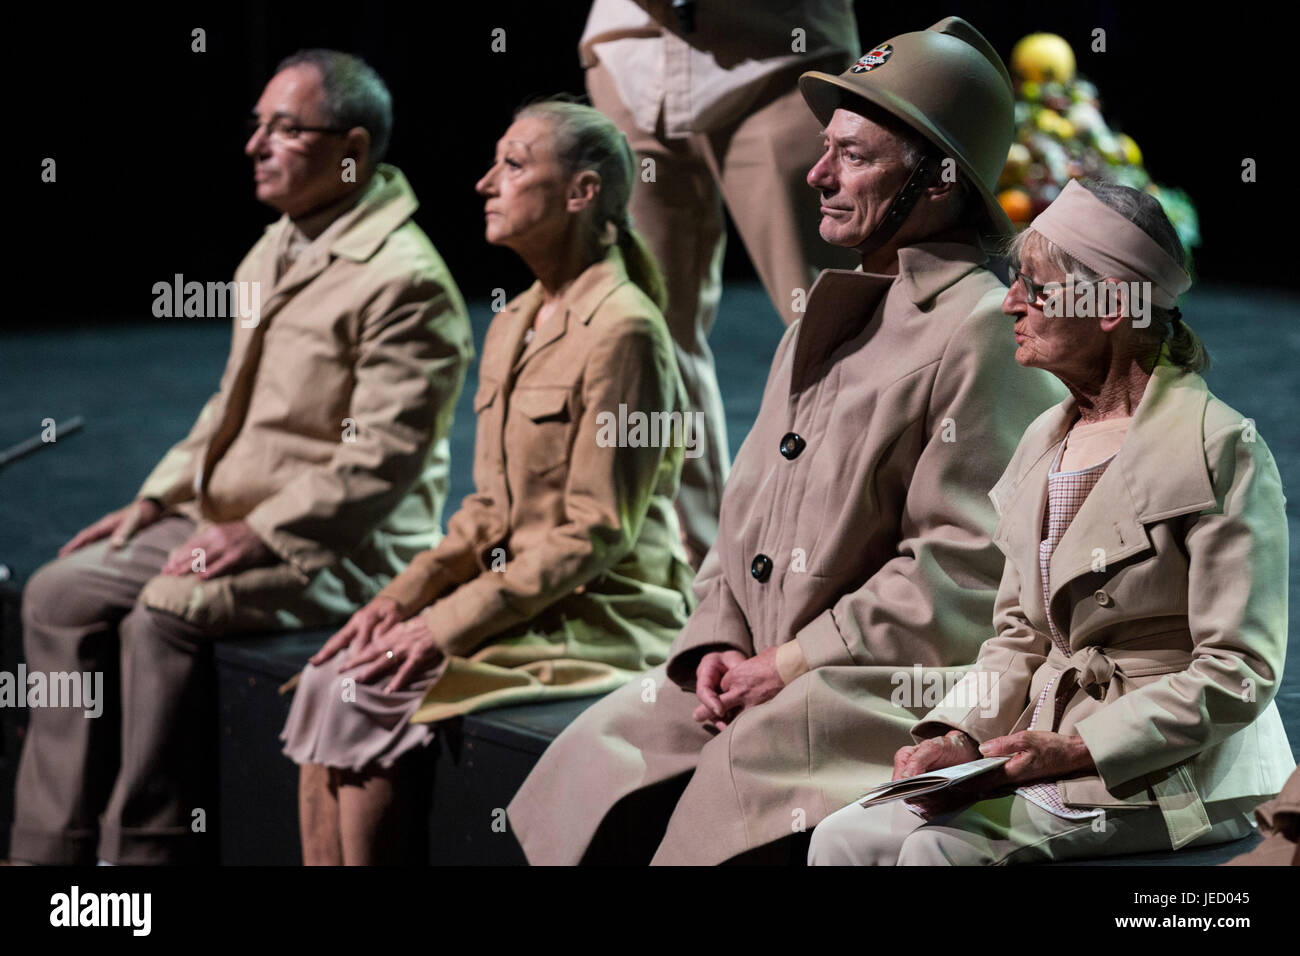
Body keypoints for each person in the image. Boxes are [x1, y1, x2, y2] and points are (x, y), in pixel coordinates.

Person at [507, 17, 1067, 865]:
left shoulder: (982, 329)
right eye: (825, 149)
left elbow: (962, 569)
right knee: (593, 762)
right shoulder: (830, 312)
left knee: (727, 800)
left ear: (940, 181)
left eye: (855, 156)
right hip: (757, 664)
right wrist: (718, 637)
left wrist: (794, 660)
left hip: (873, 681)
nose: (817, 174)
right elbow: (746, 513)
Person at [8, 50, 473, 865]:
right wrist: (157, 500)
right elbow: (227, 407)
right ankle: (47, 854)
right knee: (57, 593)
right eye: (256, 125)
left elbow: (381, 460)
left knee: (165, 609)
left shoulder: (406, 282)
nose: (255, 144)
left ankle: (139, 862)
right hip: (223, 518)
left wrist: (259, 531)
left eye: (285, 129)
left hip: (337, 548)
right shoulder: (273, 248)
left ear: (352, 148)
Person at [809, 180, 1295, 865]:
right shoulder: (1046, 434)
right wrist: (962, 735)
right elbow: (1019, 633)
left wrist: (1079, 748)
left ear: (1108, 307)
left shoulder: (1219, 448)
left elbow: (1238, 670)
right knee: (842, 837)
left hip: (1178, 770)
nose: (1010, 302)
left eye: (1033, 288)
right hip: (1047, 742)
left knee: (938, 852)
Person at [283, 99, 696, 865]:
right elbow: (486, 513)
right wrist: (400, 600)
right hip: (524, 594)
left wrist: (443, 626)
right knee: (329, 677)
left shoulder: (623, 329)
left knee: (365, 696)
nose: (483, 183)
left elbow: (596, 532)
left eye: (512, 165)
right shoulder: (517, 319)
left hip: (601, 610)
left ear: (581, 192)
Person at [580, 0, 861, 567]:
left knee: (830, 317)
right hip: (632, 58)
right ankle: (703, 560)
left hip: (778, 49)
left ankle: (851, 549)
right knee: (654, 327)